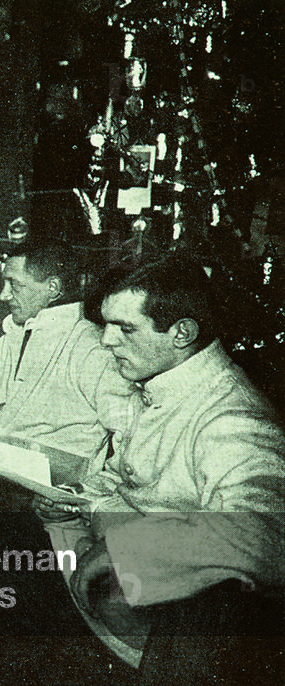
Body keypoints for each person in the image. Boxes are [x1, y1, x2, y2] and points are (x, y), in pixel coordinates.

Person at [30, 252, 285, 678]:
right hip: (102, 582)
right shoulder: (165, 383)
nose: (107, 341)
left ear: (182, 333)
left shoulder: (232, 420)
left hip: (144, 629)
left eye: (125, 328)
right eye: (106, 326)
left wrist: (120, 549)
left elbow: (268, 532)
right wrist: (80, 499)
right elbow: (137, 476)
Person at [0, 238, 135, 482]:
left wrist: (89, 492)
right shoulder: (20, 335)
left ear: (53, 288)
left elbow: (131, 431)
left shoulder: (93, 349)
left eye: (14, 285)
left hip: (51, 495)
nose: (3, 295)